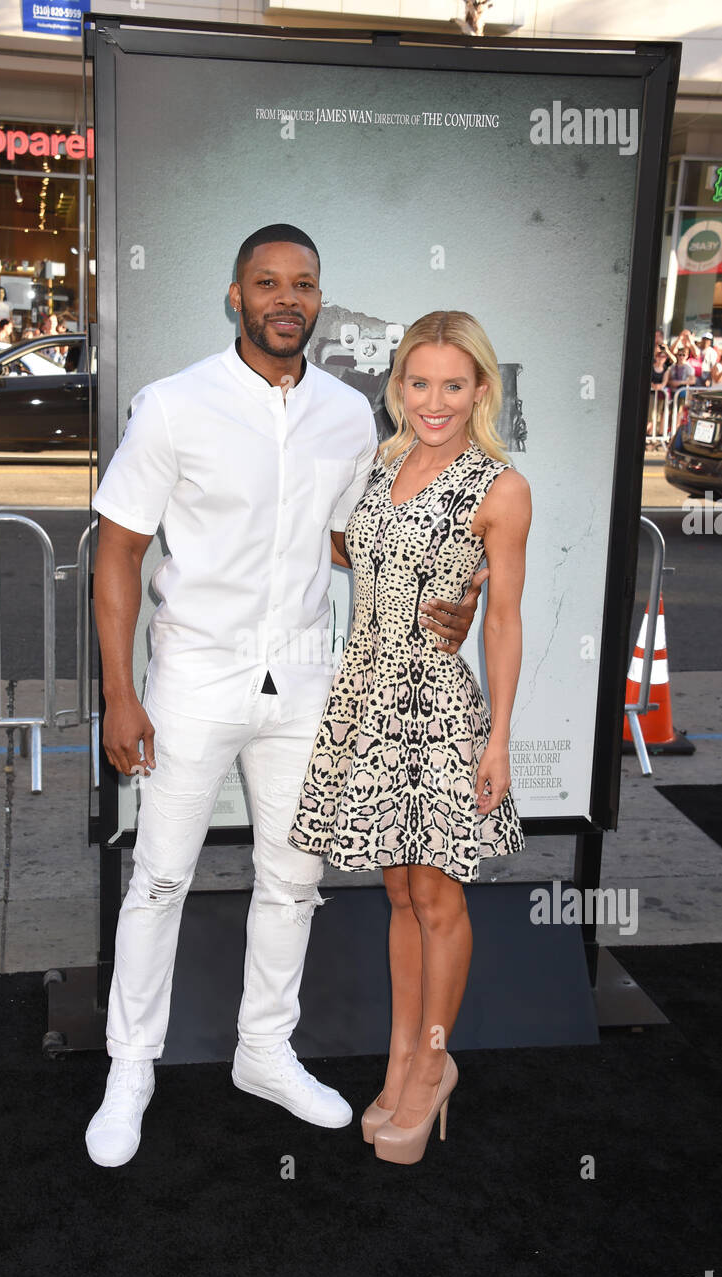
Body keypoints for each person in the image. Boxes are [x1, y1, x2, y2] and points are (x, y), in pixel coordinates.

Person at [84, 225, 486, 1167]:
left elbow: (357, 543)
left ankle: (263, 1051)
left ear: (318, 298)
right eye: (266, 283)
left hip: (306, 681)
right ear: (234, 295)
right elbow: (119, 551)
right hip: (191, 677)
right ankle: (130, 1069)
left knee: (293, 880)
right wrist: (118, 690)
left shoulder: (351, 416)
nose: (284, 299)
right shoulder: (175, 407)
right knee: (161, 877)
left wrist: (451, 597)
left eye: (301, 284)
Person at [288, 310, 531, 1165]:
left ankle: (432, 1065)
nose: (434, 402)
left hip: (433, 709)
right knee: (396, 893)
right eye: (418, 383)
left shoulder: (498, 487)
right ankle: (399, 1058)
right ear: (399, 387)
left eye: (453, 385)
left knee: (436, 897)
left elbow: (501, 622)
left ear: (480, 390)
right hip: (366, 696)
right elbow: (353, 549)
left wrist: (497, 738)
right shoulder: (380, 466)